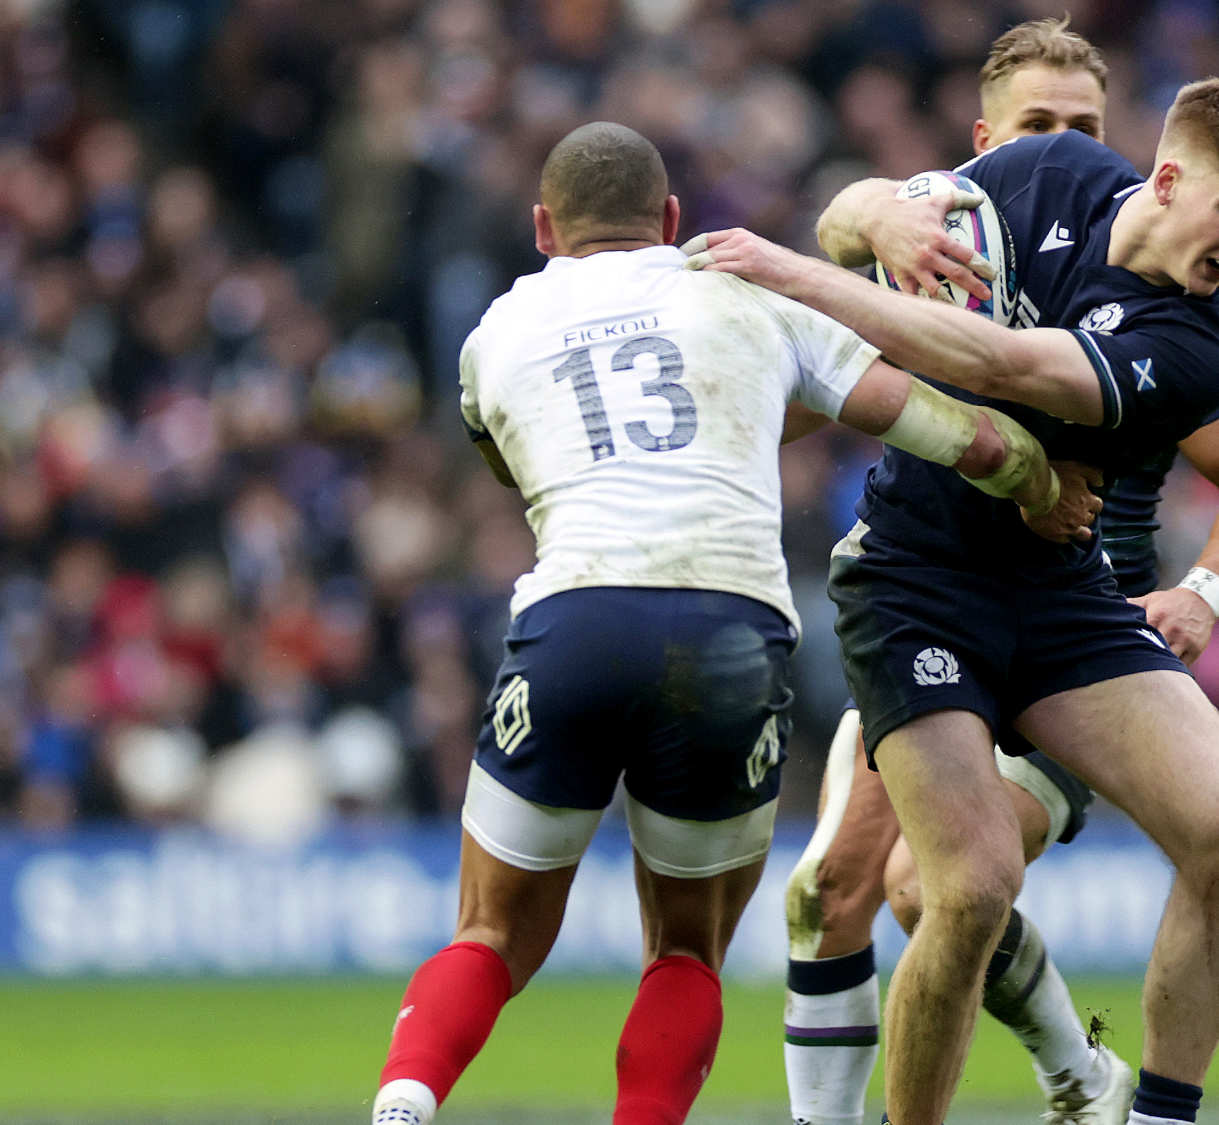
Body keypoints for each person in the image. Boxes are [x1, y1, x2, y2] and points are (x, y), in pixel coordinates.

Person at [366, 121, 1087, 1125]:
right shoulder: (749, 297)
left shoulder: (495, 329)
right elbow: (947, 430)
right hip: (728, 632)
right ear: (671, 219)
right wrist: (1038, 482)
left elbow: (508, 457)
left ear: (542, 228)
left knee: (489, 932)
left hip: (576, 619)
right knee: (686, 947)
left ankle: (405, 1099)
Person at [689, 77, 1219, 1125]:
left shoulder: (1194, 343)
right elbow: (864, 220)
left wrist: (789, 271)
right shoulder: (1045, 171)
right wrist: (877, 214)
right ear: (1167, 179)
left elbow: (995, 360)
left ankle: (1147, 1114)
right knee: (958, 887)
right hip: (916, 583)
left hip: (1067, 593)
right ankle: (1049, 1081)